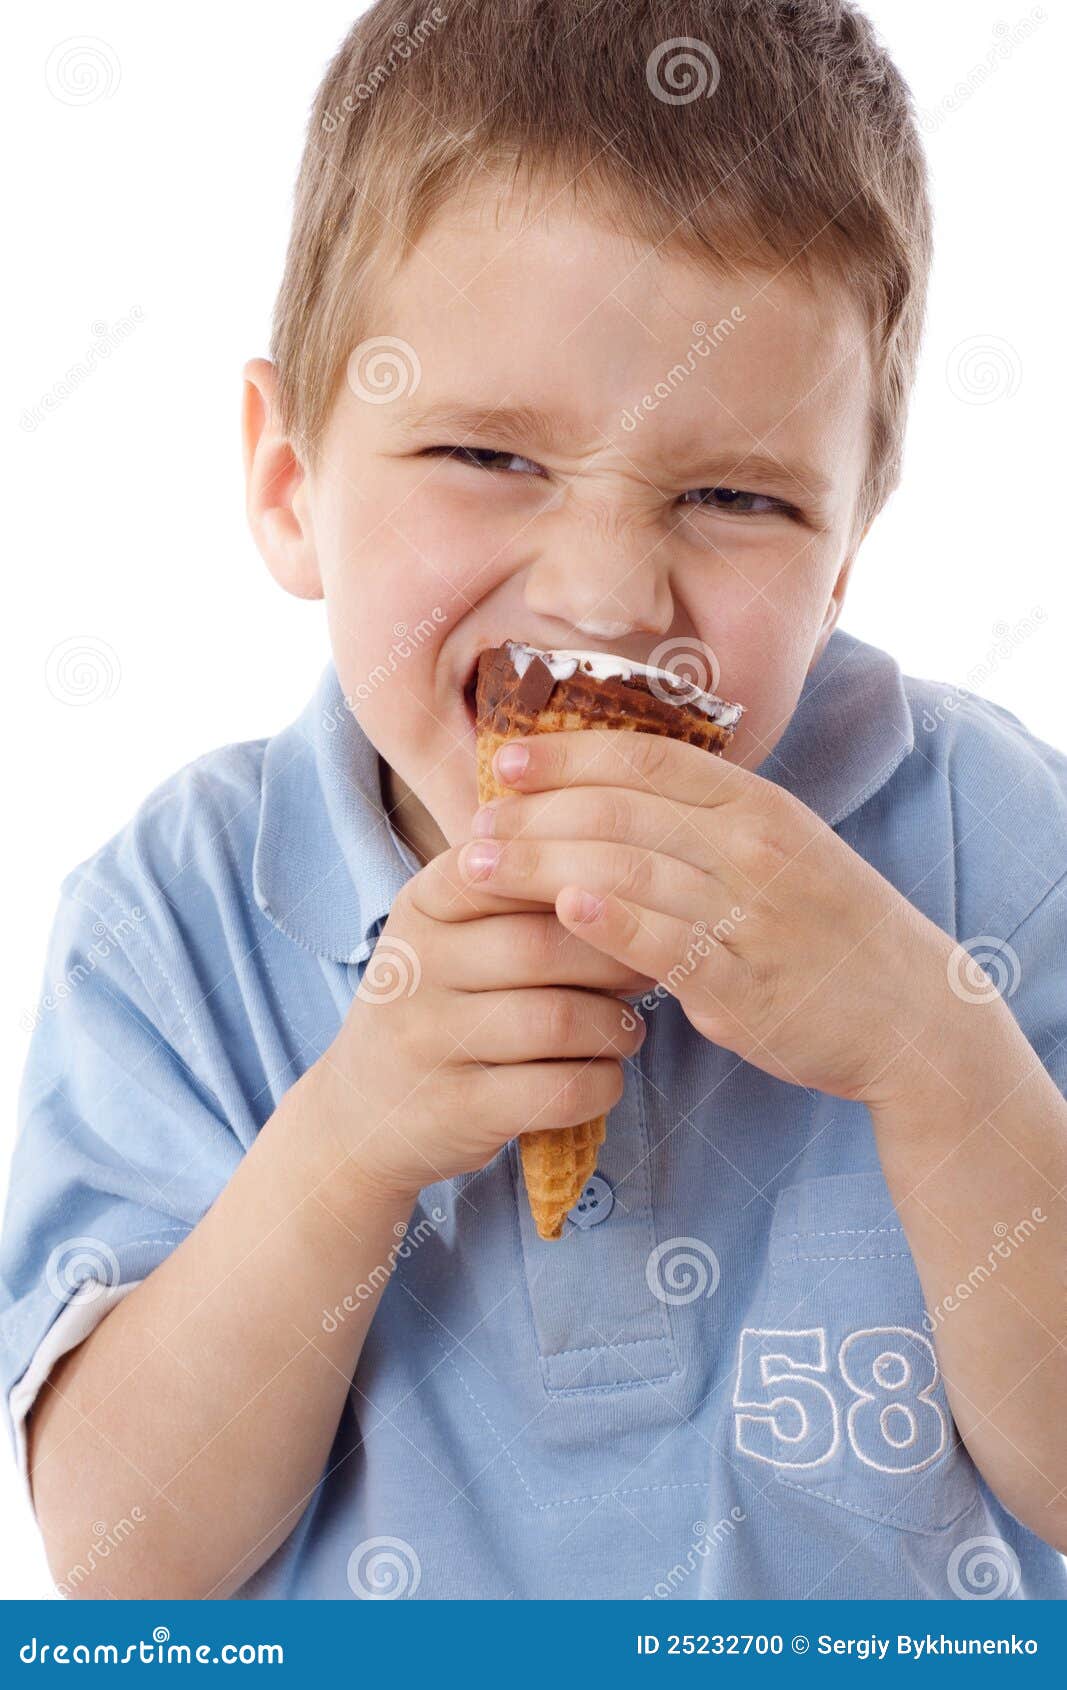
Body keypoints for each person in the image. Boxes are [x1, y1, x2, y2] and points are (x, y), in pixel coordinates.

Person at [4, 0, 1065, 1600]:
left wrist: (930, 1049)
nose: (607, 594)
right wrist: (352, 1138)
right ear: (292, 482)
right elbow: (125, 1560)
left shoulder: (986, 836)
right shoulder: (180, 915)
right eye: (489, 457)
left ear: (846, 549)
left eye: (735, 496)